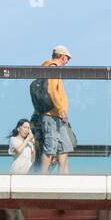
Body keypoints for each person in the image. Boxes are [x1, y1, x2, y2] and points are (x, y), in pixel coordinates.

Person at [33, 45, 74, 174]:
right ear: (63, 57)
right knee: (50, 148)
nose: (67, 62)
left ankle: (63, 174)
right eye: (67, 59)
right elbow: (52, 91)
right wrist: (61, 109)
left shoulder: (49, 68)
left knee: (65, 146)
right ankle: (43, 178)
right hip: (52, 114)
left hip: (57, 115)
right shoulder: (52, 68)